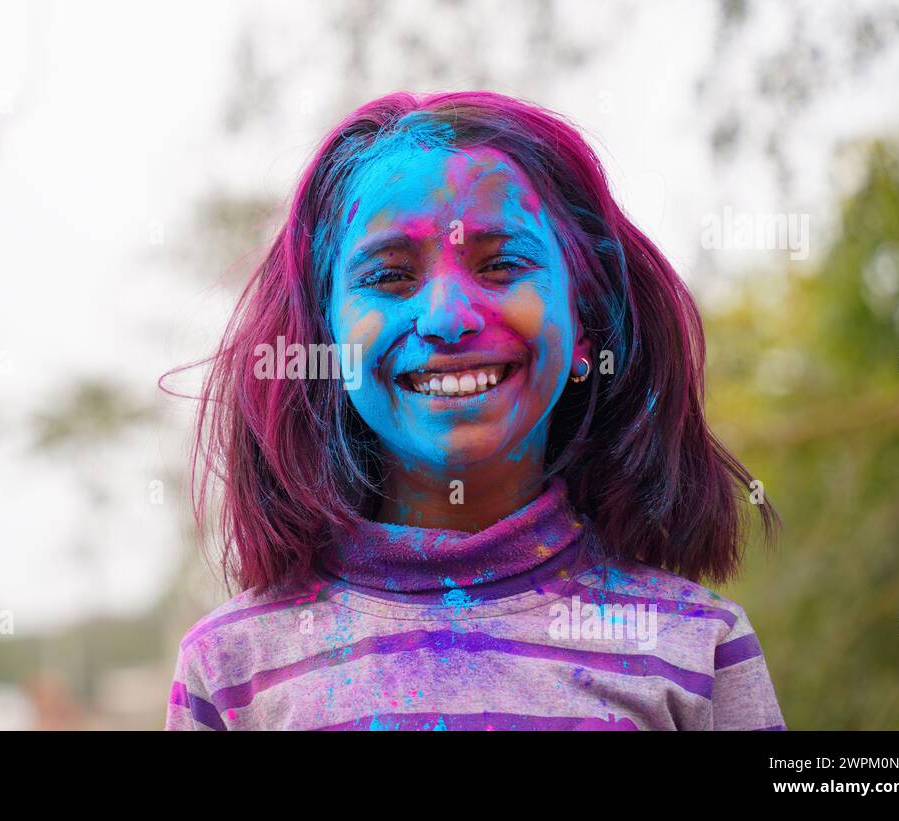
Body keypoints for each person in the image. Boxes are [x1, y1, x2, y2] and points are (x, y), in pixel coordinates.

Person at [164, 91, 784, 731]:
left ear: (585, 331)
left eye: (503, 264)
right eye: (391, 276)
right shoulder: (233, 670)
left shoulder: (693, 649)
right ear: (324, 343)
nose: (447, 318)